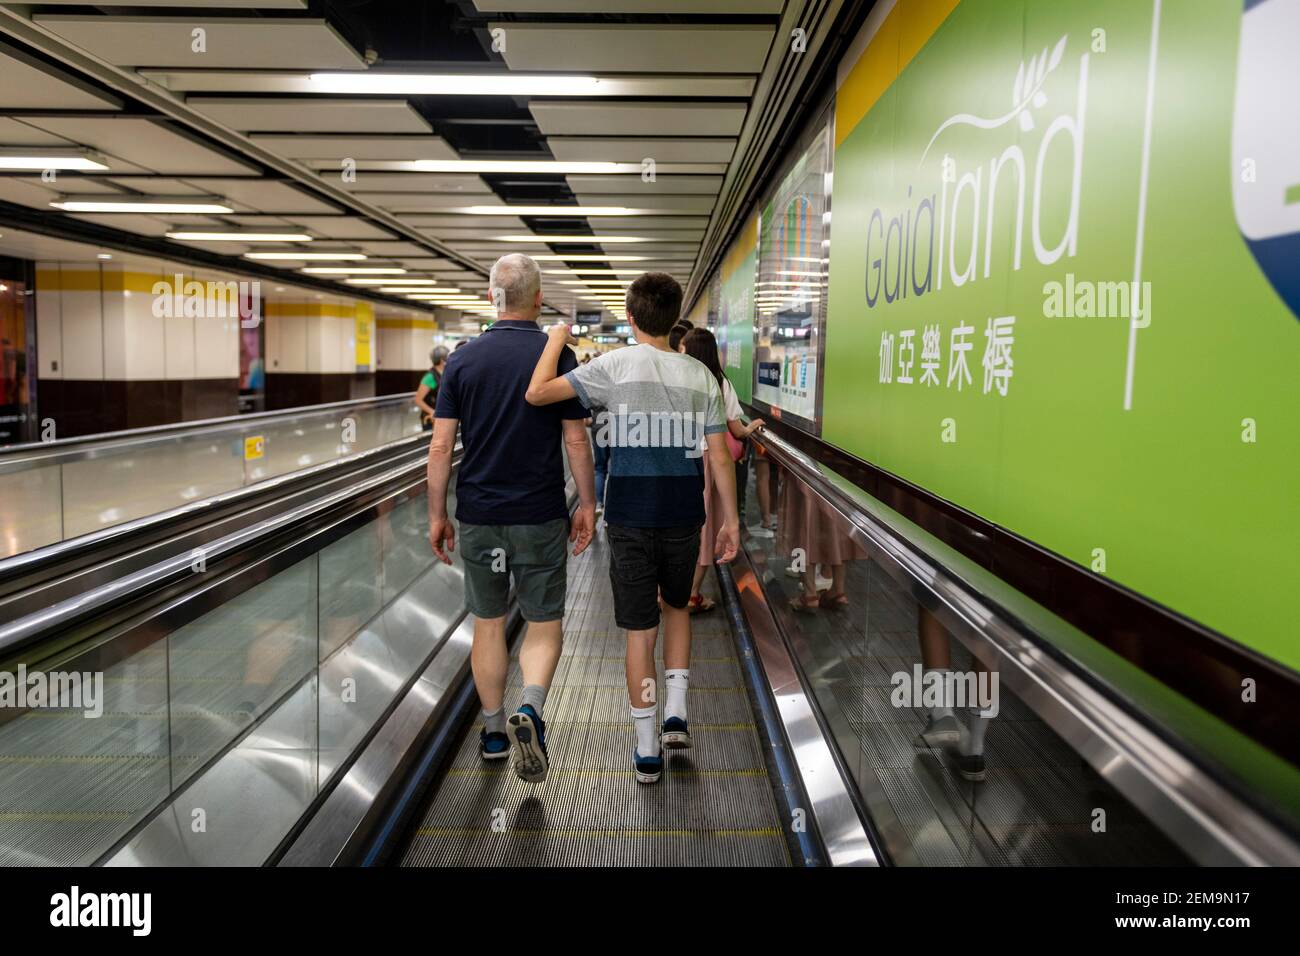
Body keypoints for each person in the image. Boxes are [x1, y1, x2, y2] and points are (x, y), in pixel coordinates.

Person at [526, 273, 740, 785]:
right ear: (675, 318)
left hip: (628, 516)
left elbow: (537, 394)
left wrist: (555, 339)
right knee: (678, 610)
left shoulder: (611, 367)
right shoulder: (700, 376)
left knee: (638, 633)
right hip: (685, 513)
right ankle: (676, 716)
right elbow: (719, 456)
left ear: (630, 316)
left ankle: (646, 748)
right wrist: (729, 519)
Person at [427, 253, 597, 784]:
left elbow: (440, 445)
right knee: (544, 623)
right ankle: (534, 709)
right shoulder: (558, 358)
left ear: (491, 298)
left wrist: (438, 513)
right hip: (540, 511)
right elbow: (575, 438)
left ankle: (496, 730)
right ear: (538, 299)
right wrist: (588, 504)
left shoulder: (462, 361)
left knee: (489, 622)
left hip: (479, 513)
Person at [679, 327, 763, 612]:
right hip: (709, 458)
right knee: (705, 524)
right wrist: (751, 428)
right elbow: (736, 429)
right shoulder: (719, 381)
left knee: (681, 522)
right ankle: (691, 594)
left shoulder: (680, 378)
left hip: (680, 456)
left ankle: (670, 589)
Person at [415, 346, 449, 430]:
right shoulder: (430, 377)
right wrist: (432, 412)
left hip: (442, 418)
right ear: (442, 360)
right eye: (448, 357)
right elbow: (418, 400)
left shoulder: (445, 373)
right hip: (431, 420)